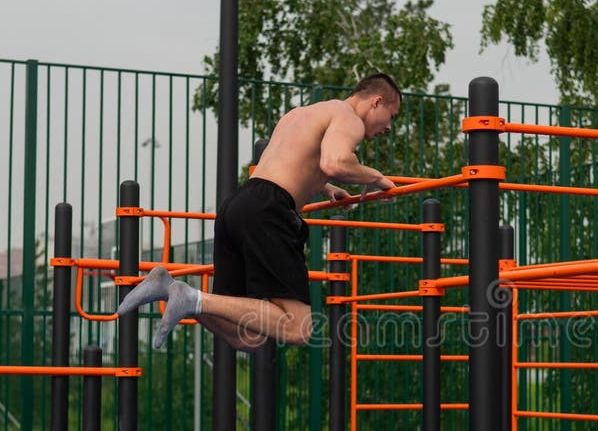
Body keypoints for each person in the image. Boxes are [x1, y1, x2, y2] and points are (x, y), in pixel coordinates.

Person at [117, 73, 401, 350]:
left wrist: (326, 188)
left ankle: (173, 290)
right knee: (299, 327)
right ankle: (192, 299)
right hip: (268, 210)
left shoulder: (300, 114)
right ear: (376, 101)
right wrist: (374, 176)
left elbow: (293, 160)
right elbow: (335, 162)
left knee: (248, 335)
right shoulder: (348, 118)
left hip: (238, 205)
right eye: (392, 116)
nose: (388, 128)